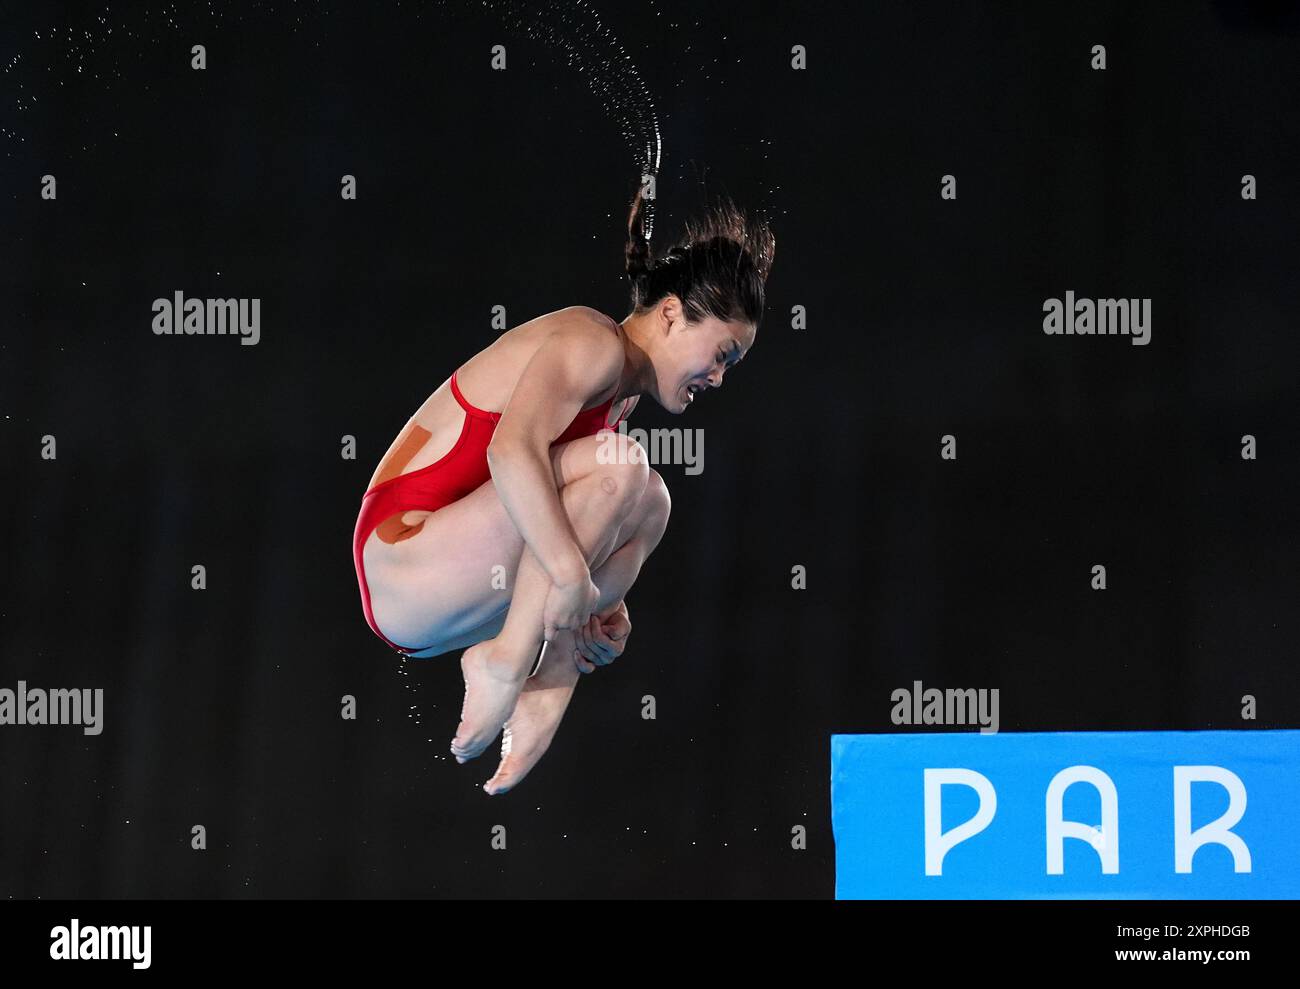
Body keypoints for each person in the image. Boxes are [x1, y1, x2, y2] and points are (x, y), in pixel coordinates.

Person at [352, 186, 775, 794]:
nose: (718, 377)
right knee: (621, 468)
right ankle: (507, 664)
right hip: (401, 554)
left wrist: (605, 607)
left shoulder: (622, 394)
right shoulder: (591, 342)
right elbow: (509, 452)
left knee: (652, 499)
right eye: (722, 354)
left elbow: (568, 512)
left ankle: (548, 673)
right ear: (671, 313)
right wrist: (575, 577)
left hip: (447, 596)